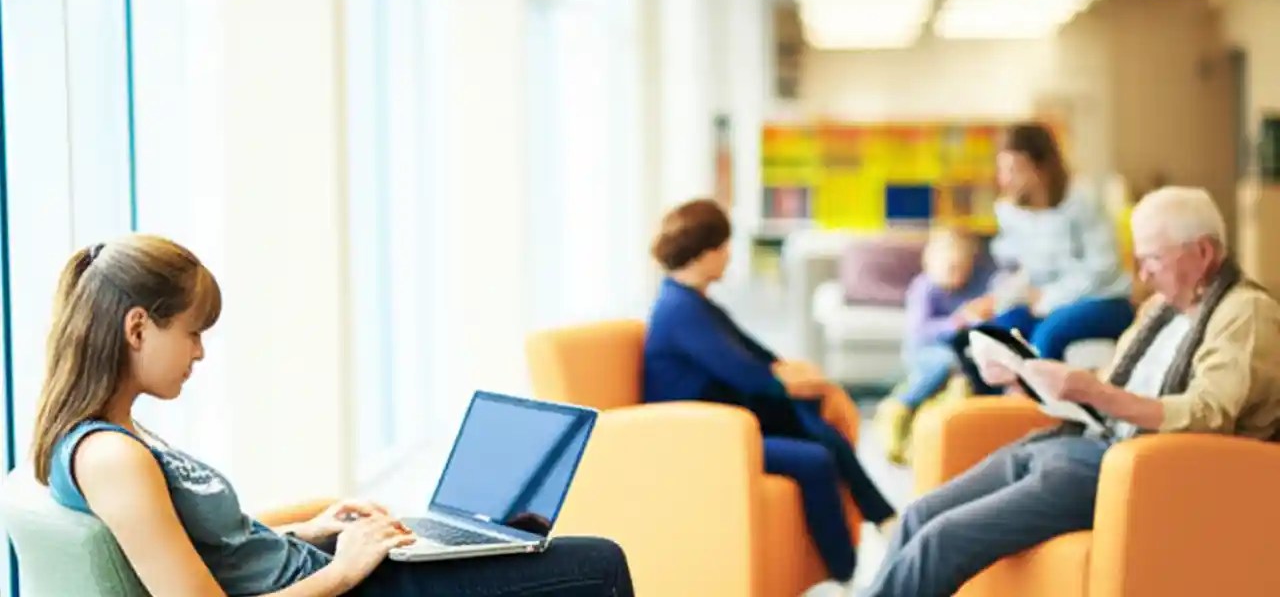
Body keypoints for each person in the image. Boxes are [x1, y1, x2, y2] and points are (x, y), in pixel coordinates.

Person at [33, 235, 634, 597]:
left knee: (523, 541)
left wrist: (313, 530)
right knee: (598, 562)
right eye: (193, 333)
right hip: (345, 588)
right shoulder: (111, 457)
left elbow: (218, 548)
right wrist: (343, 572)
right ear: (138, 327)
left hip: (331, 570)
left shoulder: (122, 437)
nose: (199, 353)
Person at [862, 187, 1280, 596]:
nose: (1143, 275)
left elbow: (1206, 413)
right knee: (918, 515)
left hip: (1132, 470)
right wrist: (1027, 377)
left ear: (1202, 252)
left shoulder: (1246, 313)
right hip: (1078, 444)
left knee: (941, 540)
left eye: (1153, 258)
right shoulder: (1160, 309)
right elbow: (1117, 383)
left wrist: (1096, 393)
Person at [643, 198, 896, 584]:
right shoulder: (681, 310)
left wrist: (799, 377)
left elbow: (761, 359)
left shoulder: (694, 303)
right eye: (725, 246)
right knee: (815, 457)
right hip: (701, 439)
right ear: (706, 252)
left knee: (820, 431)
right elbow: (750, 376)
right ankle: (847, 573)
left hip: (729, 426)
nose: (729, 255)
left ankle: (885, 527)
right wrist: (800, 380)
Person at [951, 123, 1134, 394]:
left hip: (1104, 300)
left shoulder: (1082, 200)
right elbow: (1025, 273)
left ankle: (1039, 409)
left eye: (1014, 169)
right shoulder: (1011, 211)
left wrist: (1047, 299)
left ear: (1042, 169)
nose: (1005, 180)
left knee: (1046, 336)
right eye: (1002, 170)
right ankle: (993, 410)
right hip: (1046, 303)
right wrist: (995, 302)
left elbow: (1103, 268)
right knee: (988, 335)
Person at [875, 228, 990, 463]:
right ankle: (899, 408)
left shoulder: (974, 288)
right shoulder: (924, 288)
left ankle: (935, 440)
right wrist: (955, 323)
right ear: (930, 263)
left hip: (960, 358)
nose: (955, 273)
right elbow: (920, 330)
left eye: (961, 267)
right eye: (949, 267)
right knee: (943, 364)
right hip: (924, 351)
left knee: (961, 384)